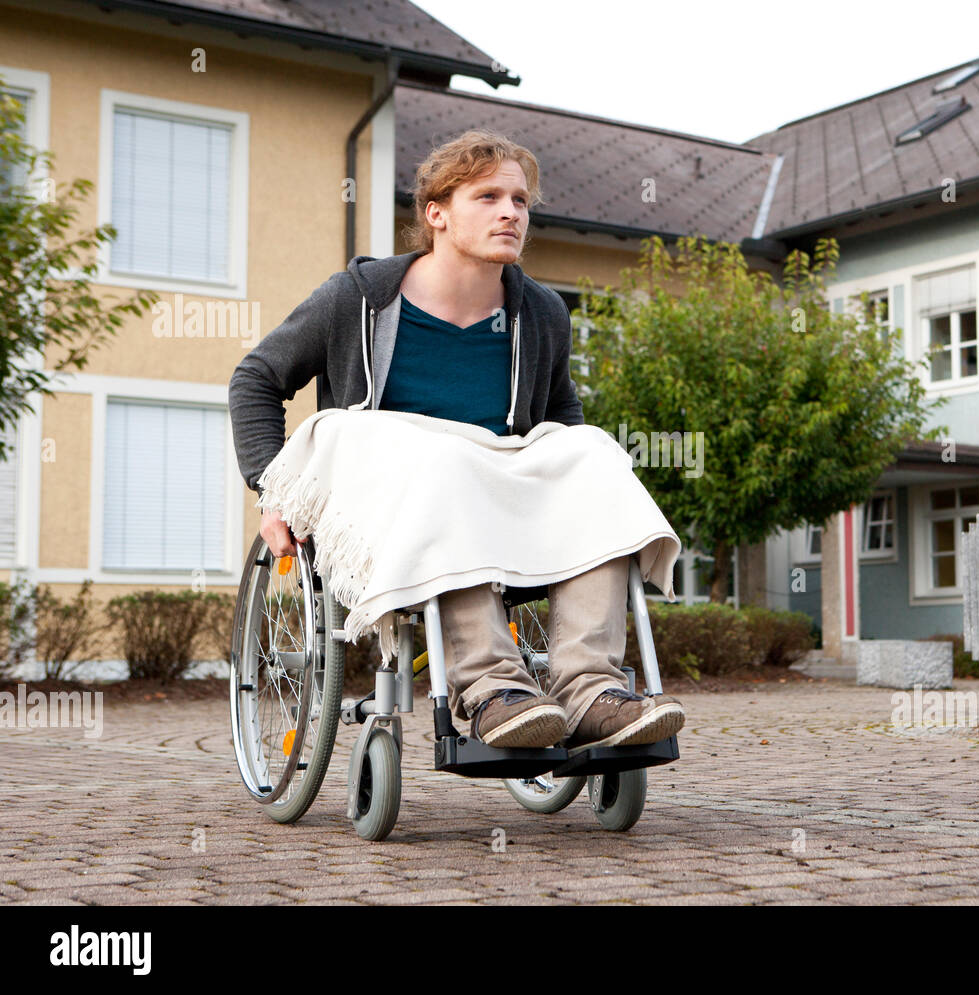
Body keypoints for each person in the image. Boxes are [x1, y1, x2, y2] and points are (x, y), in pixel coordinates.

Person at [228, 129, 684, 754]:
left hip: (495, 484)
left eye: (521, 201)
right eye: (488, 196)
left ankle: (589, 691)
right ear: (436, 214)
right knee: (444, 460)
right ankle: (493, 690)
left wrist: (580, 473)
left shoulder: (541, 313)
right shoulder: (357, 299)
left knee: (596, 454)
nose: (511, 212)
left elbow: (559, 414)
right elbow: (255, 379)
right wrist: (272, 489)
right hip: (389, 490)